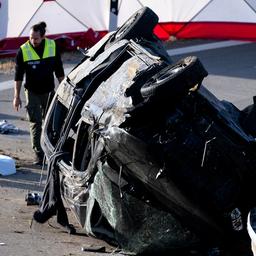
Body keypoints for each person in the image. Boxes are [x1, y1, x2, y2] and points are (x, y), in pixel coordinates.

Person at [13, 21, 65, 165]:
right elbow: (18, 76)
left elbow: (59, 71)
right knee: (35, 123)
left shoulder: (52, 46)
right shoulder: (23, 50)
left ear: (43, 37)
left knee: (50, 123)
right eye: (30, 37)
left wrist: (65, 89)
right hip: (32, 92)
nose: (32, 41)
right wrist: (16, 96)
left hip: (48, 92)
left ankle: (51, 150)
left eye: (35, 38)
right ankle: (38, 154)